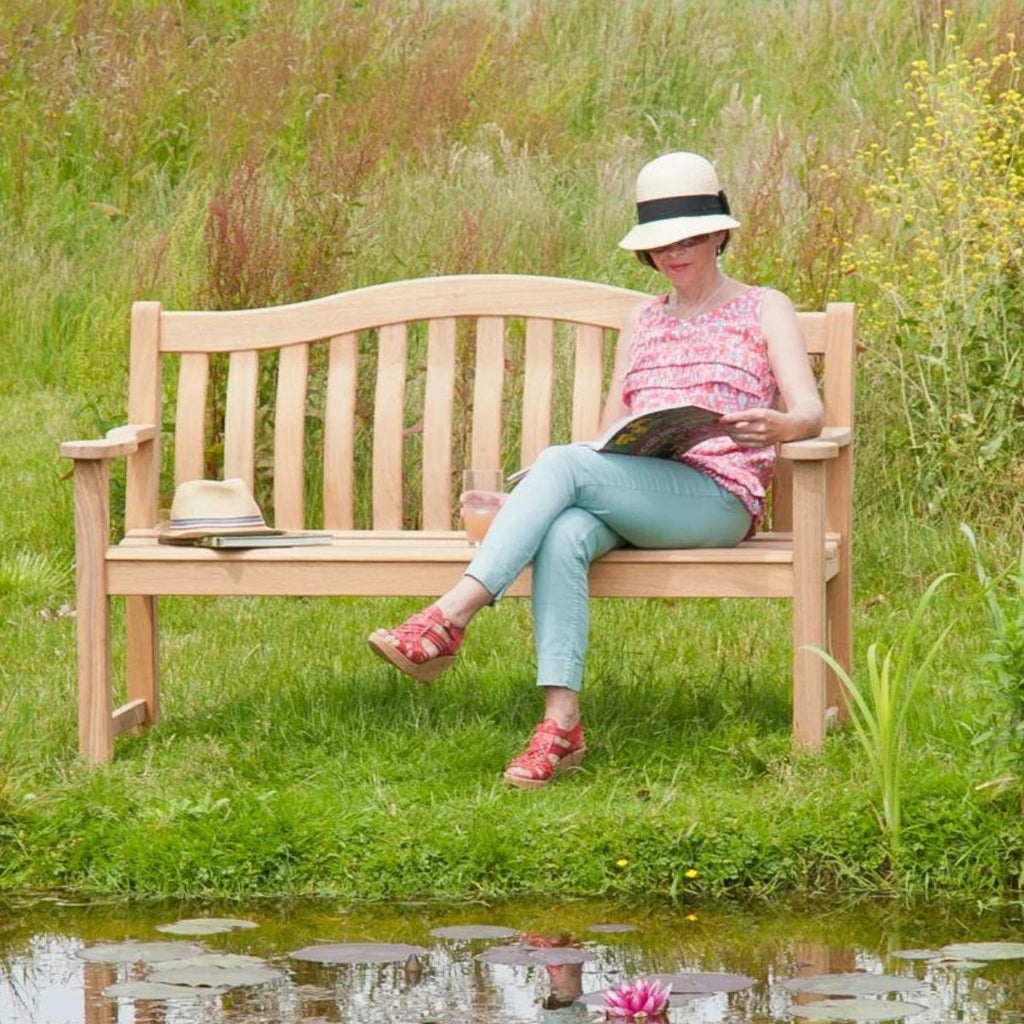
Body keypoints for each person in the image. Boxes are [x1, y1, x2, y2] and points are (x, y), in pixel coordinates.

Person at [368, 151, 823, 790]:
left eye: (691, 237)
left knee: (562, 464)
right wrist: (543, 496)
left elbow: (810, 411)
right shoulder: (642, 319)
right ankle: (561, 725)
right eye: (662, 242)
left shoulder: (763, 307)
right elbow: (608, 437)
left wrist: (780, 426)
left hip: (717, 499)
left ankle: (450, 619)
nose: (676, 252)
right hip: (639, 488)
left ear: (720, 231)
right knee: (563, 530)